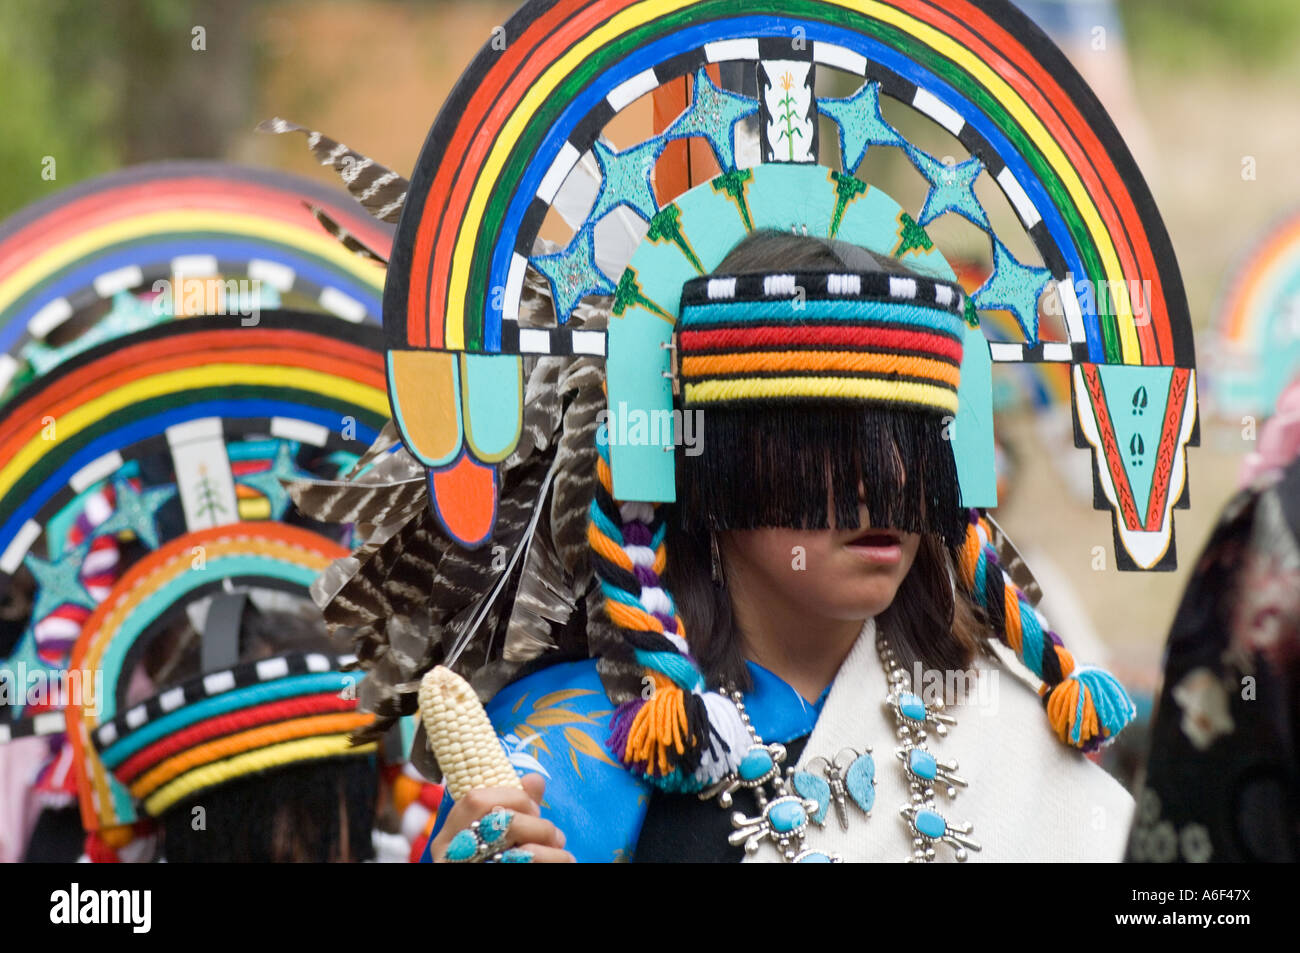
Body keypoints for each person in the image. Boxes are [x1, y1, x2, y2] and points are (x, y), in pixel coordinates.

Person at [402, 230, 1136, 863]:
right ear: (715, 463)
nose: (887, 484)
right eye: (833, 438)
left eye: (911, 440)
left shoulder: (1005, 727)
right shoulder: (569, 747)